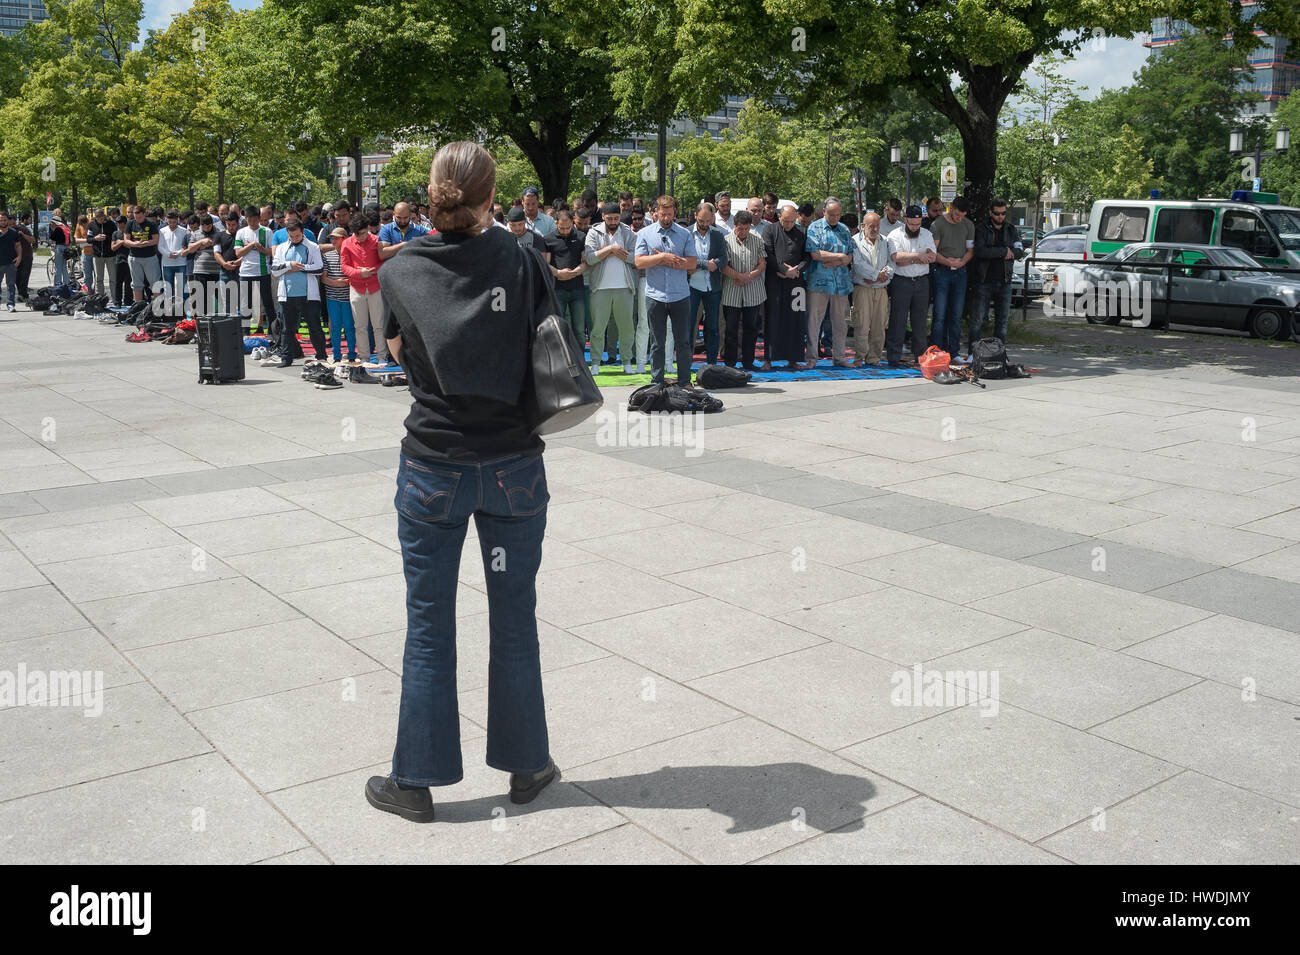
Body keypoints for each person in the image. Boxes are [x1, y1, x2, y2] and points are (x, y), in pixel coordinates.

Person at [364, 140, 558, 824]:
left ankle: (414, 780)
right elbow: (551, 343)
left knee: (427, 623)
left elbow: (394, 350)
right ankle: (528, 764)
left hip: (433, 463)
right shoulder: (521, 255)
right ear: (490, 194)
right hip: (512, 466)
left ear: (432, 190)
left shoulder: (402, 269)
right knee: (514, 618)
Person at [634, 194, 696, 385]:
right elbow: (639, 262)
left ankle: (685, 381)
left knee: (683, 342)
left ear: (674, 212)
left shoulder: (685, 234)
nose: (667, 218)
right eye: (663, 215)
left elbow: (692, 264)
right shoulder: (645, 233)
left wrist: (669, 259)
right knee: (657, 343)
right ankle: (657, 382)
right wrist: (662, 258)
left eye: (670, 214)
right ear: (655, 213)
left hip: (680, 295)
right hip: (655, 296)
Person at [584, 200, 637, 376]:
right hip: (600, 288)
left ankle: (627, 361)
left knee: (627, 328)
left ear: (620, 217)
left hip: (624, 286)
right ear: (604, 217)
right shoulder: (593, 232)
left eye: (616, 218)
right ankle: (596, 362)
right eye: (610, 218)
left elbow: (635, 258)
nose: (613, 222)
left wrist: (615, 253)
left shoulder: (628, 233)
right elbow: (590, 258)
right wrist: (611, 249)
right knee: (598, 328)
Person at [968, 197, 1024, 355]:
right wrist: (1004, 251)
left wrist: (1003, 251)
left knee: (1002, 322)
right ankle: (973, 355)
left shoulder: (1011, 229)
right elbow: (980, 251)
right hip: (984, 280)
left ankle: (1000, 355)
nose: (1000, 217)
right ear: (990, 213)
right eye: (997, 213)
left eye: (1003, 213)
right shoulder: (982, 229)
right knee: (978, 320)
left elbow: (1019, 251)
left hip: (1005, 280)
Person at [803, 198, 855, 367]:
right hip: (819, 282)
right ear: (823, 211)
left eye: (838, 215)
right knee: (814, 322)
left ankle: (839, 357)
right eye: (832, 214)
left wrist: (837, 260)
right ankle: (811, 358)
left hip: (840, 283)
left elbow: (849, 257)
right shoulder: (814, 227)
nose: (835, 218)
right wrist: (839, 257)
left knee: (840, 323)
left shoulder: (845, 229)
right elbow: (816, 254)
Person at [885, 204, 936, 367]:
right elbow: (897, 258)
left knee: (920, 322)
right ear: (905, 219)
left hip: (922, 281)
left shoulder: (927, 234)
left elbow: (932, 257)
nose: (915, 227)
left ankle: (920, 357)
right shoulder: (895, 235)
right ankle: (893, 357)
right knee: (897, 320)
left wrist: (911, 259)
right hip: (901, 282)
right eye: (912, 224)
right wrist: (918, 256)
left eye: (918, 224)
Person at [270, 222, 326, 366]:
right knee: (286, 329)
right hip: (287, 295)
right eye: (291, 236)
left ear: (303, 232)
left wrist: (299, 267)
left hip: (309, 295)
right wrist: (289, 265)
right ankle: (286, 358)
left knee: (315, 327)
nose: (295, 238)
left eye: (297, 235)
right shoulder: (281, 248)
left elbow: (319, 268)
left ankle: (321, 355)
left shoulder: (313, 247)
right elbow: (275, 270)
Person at [764, 203, 808, 370]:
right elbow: (768, 253)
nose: (788, 224)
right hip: (775, 280)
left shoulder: (802, 232)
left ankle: (794, 358)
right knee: (772, 317)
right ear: (779, 217)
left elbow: (807, 256)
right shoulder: (770, 230)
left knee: (796, 319)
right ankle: (769, 358)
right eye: (785, 221)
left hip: (796, 282)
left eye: (791, 221)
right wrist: (782, 269)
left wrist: (797, 270)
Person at [720, 210, 766, 370]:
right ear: (735, 225)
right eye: (740, 229)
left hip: (753, 291)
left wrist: (750, 276)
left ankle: (748, 361)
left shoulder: (757, 240)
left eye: (746, 229)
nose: (743, 232)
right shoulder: (725, 241)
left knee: (751, 329)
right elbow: (724, 266)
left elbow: (762, 263)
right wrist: (738, 276)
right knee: (731, 328)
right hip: (732, 290)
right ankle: (730, 362)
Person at [929, 196, 974, 357]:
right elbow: (933, 251)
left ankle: (953, 351)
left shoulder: (968, 225)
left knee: (956, 314)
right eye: (956, 215)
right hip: (942, 271)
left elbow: (970, 250)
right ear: (951, 208)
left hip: (960, 271)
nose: (959, 218)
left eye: (962, 216)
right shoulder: (938, 224)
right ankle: (936, 350)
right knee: (939, 314)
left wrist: (962, 262)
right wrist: (948, 262)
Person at [340, 212, 387, 363]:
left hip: (375, 287)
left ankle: (382, 356)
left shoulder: (377, 241)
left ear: (368, 228)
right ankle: (365, 357)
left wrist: (371, 271)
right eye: (358, 234)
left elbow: (383, 261)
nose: (362, 236)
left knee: (378, 325)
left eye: (364, 232)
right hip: (356, 288)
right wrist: (359, 273)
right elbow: (344, 266)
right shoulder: (347, 243)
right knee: (360, 326)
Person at [686, 201, 727, 367]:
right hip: (691, 287)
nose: (704, 225)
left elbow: (724, 257)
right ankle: (686, 362)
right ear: (695, 216)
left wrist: (715, 263)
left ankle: (711, 363)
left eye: (708, 221)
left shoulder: (717, 235)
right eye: (701, 221)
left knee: (713, 327)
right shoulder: (686, 234)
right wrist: (704, 264)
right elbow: (684, 259)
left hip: (712, 287)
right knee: (689, 327)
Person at [851, 212, 893, 366]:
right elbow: (858, 265)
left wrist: (884, 275)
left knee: (879, 325)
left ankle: (874, 358)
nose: (875, 229)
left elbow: (891, 262)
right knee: (862, 325)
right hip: (863, 288)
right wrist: (876, 275)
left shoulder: (886, 241)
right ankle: (859, 357)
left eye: (877, 226)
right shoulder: (854, 241)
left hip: (881, 289)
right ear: (863, 227)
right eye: (871, 226)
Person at [544, 209, 587, 342]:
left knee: (579, 329)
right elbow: (545, 264)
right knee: (558, 328)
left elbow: (586, 262)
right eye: (561, 228)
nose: (565, 230)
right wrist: (558, 273)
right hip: (557, 289)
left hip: (577, 288)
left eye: (568, 227)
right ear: (556, 223)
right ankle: (562, 360)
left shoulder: (581, 237)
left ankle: (581, 361)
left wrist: (576, 271)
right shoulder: (548, 239)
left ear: (573, 222)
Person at [321, 226, 360, 364]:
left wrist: (342, 282)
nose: (333, 241)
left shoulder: (351, 255)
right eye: (332, 238)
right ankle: (336, 354)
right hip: (332, 297)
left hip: (348, 298)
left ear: (344, 239)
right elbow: (324, 278)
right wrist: (339, 283)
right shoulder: (327, 256)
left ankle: (351, 354)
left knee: (350, 327)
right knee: (335, 327)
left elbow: (354, 276)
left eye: (335, 238)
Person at [234, 206, 274, 333]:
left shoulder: (267, 231)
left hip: (263, 272)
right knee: (246, 305)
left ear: (259, 218)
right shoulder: (241, 232)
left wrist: (262, 249)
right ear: (245, 218)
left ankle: (273, 331)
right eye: (249, 219)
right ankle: (245, 332)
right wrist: (251, 245)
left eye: (254, 219)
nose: (252, 221)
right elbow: (238, 253)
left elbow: (272, 252)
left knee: (268, 304)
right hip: (246, 272)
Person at [123, 205, 161, 306]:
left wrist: (146, 243)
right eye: (135, 217)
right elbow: (126, 240)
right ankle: (138, 307)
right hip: (134, 257)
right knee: (136, 284)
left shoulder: (151, 223)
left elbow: (156, 240)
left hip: (149, 257)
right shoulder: (130, 223)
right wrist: (135, 244)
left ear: (144, 214)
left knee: (155, 283)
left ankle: (158, 307)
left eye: (139, 217)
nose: (137, 219)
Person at [158, 210, 189, 315]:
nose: (171, 224)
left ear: (177, 220)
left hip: (181, 262)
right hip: (167, 263)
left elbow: (185, 246)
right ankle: (169, 309)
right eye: (169, 222)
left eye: (174, 222)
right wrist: (168, 254)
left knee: (182, 285)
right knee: (168, 286)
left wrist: (178, 253)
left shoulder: (184, 231)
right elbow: (160, 246)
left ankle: (183, 308)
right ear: (166, 220)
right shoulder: (162, 231)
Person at [86, 209, 114, 295]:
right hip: (97, 255)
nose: (100, 221)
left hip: (110, 255)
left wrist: (107, 238)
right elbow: (88, 239)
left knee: (113, 278)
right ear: (95, 218)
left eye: (102, 218)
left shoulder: (111, 224)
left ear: (104, 216)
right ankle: (100, 298)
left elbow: (116, 236)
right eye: (98, 219)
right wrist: (95, 238)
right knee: (99, 278)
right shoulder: (91, 224)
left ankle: (115, 299)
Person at [0, 210, 23, 312]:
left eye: (4, 220)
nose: (3, 222)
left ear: (8, 221)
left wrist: (19, 257)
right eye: (1, 220)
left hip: (11, 263)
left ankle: (10, 304)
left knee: (11, 285)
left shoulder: (13, 232)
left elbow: (18, 246)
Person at [110, 216, 131, 306]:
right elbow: (113, 247)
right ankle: (117, 301)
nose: (120, 226)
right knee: (118, 282)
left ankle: (128, 301)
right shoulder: (115, 233)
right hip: (119, 260)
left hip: (128, 260)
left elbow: (130, 245)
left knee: (128, 282)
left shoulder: (129, 233)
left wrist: (121, 242)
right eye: (118, 224)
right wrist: (122, 242)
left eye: (122, 224)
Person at [13, 213, 34, 303]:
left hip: (27, 256)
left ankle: (23, 294)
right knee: (17, 277)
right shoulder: (8, 231)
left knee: (24, 276)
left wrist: (23, 235)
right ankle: (21, 293)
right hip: (16, 257)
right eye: (29, 219)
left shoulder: (23, 229)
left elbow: (32, 240)